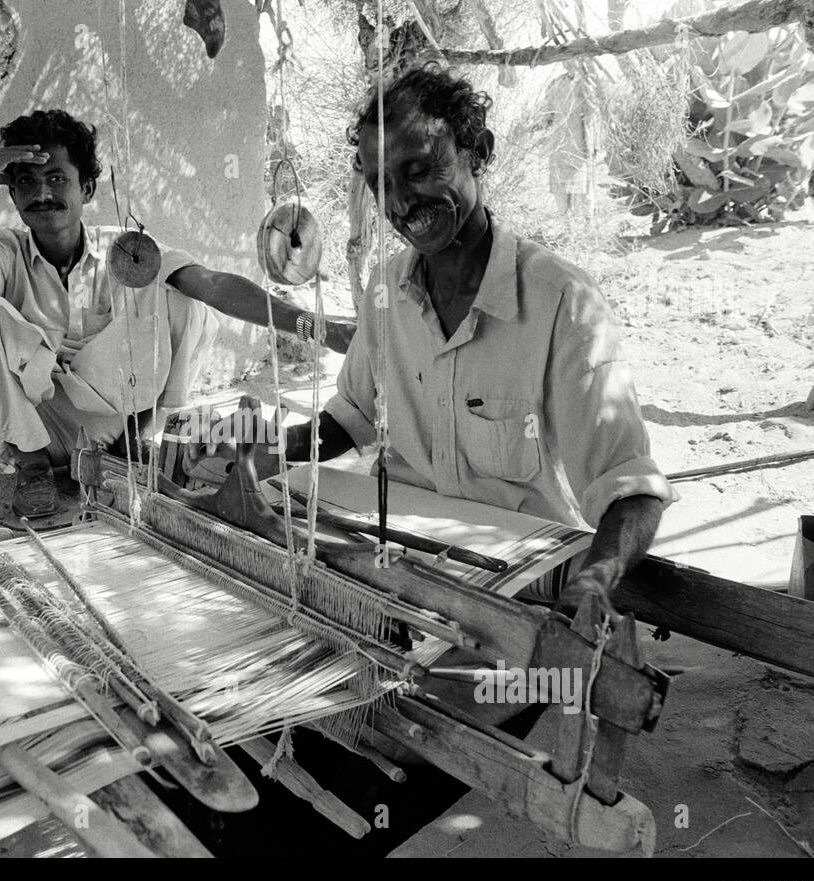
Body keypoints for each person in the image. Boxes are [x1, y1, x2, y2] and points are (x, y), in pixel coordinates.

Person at [261, 65, 677, 619]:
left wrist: (594, 584)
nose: (400, 203)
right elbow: (352, 417)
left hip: (519, 585)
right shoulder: (386, 290)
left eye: (419, 171)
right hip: (397, 567)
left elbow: (628, 483)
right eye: (381, 184)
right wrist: (264, 446)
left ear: (477, 151)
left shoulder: (562, 302)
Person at [0, 108, 351, 517]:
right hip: (34, 425)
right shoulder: (5, 250)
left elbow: (214, 286)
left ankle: (135, 440)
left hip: (108, 430)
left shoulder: (125, 251)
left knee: (180, 297)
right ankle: (33, 467)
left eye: (57, 178)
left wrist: (315, 327)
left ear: (86, 189)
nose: (41, 193)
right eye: (26, 182)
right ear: (13, 194)